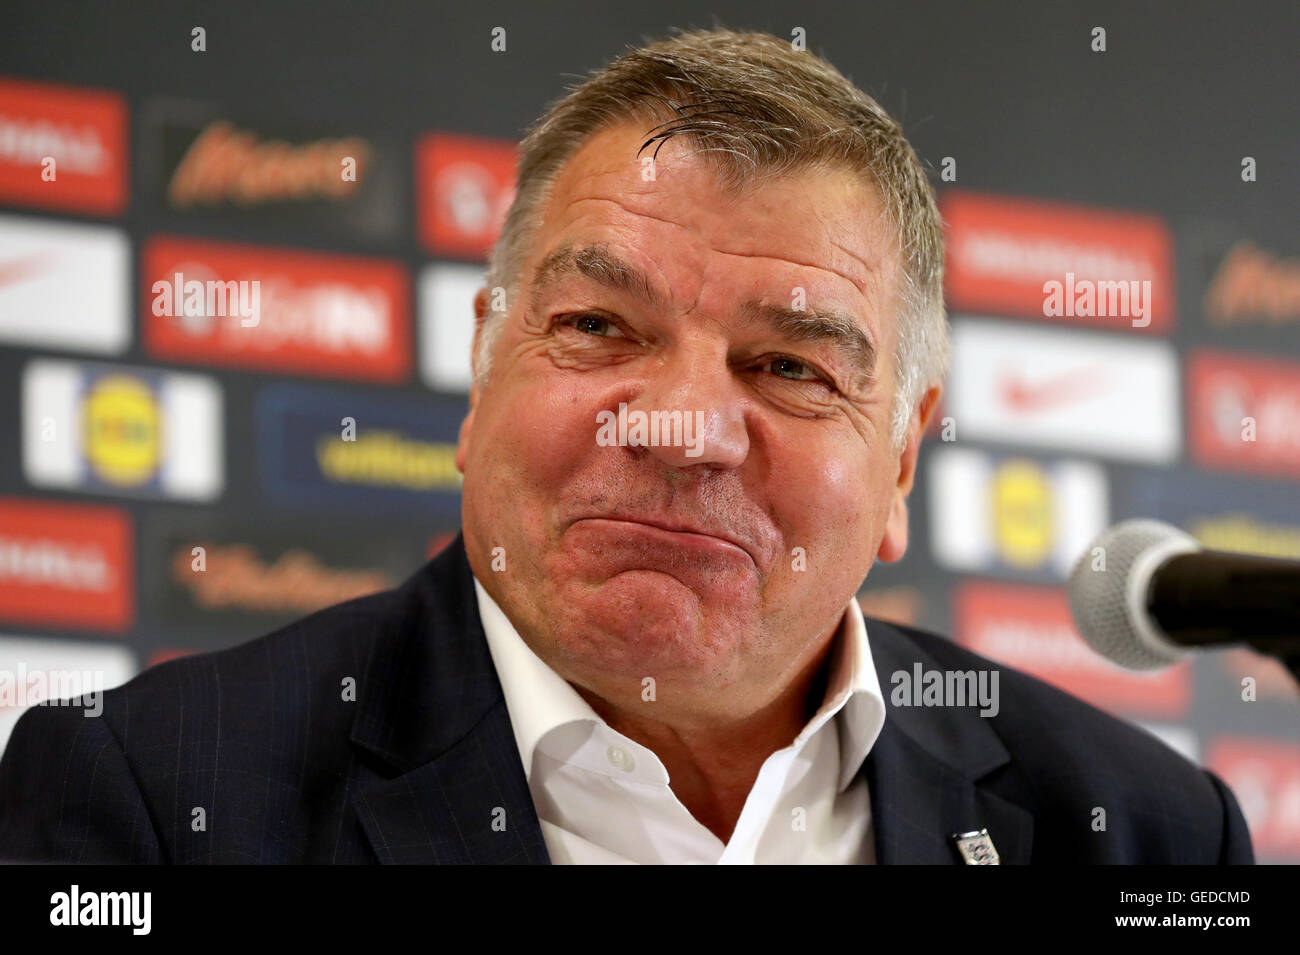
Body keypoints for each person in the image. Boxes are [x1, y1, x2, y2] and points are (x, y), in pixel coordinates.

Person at [0, 28, 1252, 864]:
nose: (681, 430)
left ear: (903, 462)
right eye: (599, 326)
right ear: (487, 367)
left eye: (789, 367)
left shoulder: (1144, 831)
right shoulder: (159, 797)